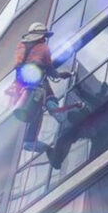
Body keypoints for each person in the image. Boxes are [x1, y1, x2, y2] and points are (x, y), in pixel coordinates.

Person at [6, 21, 82, 154]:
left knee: (34, 115)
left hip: (24, 87)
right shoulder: (43, 48)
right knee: (52, 106)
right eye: (44, 36)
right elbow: (49, 68)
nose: (45, 39)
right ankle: (71, 126)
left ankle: (37, 143)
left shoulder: (21, 46)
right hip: (38, 86)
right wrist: (62, 75)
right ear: (41, 36)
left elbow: (18, 66)